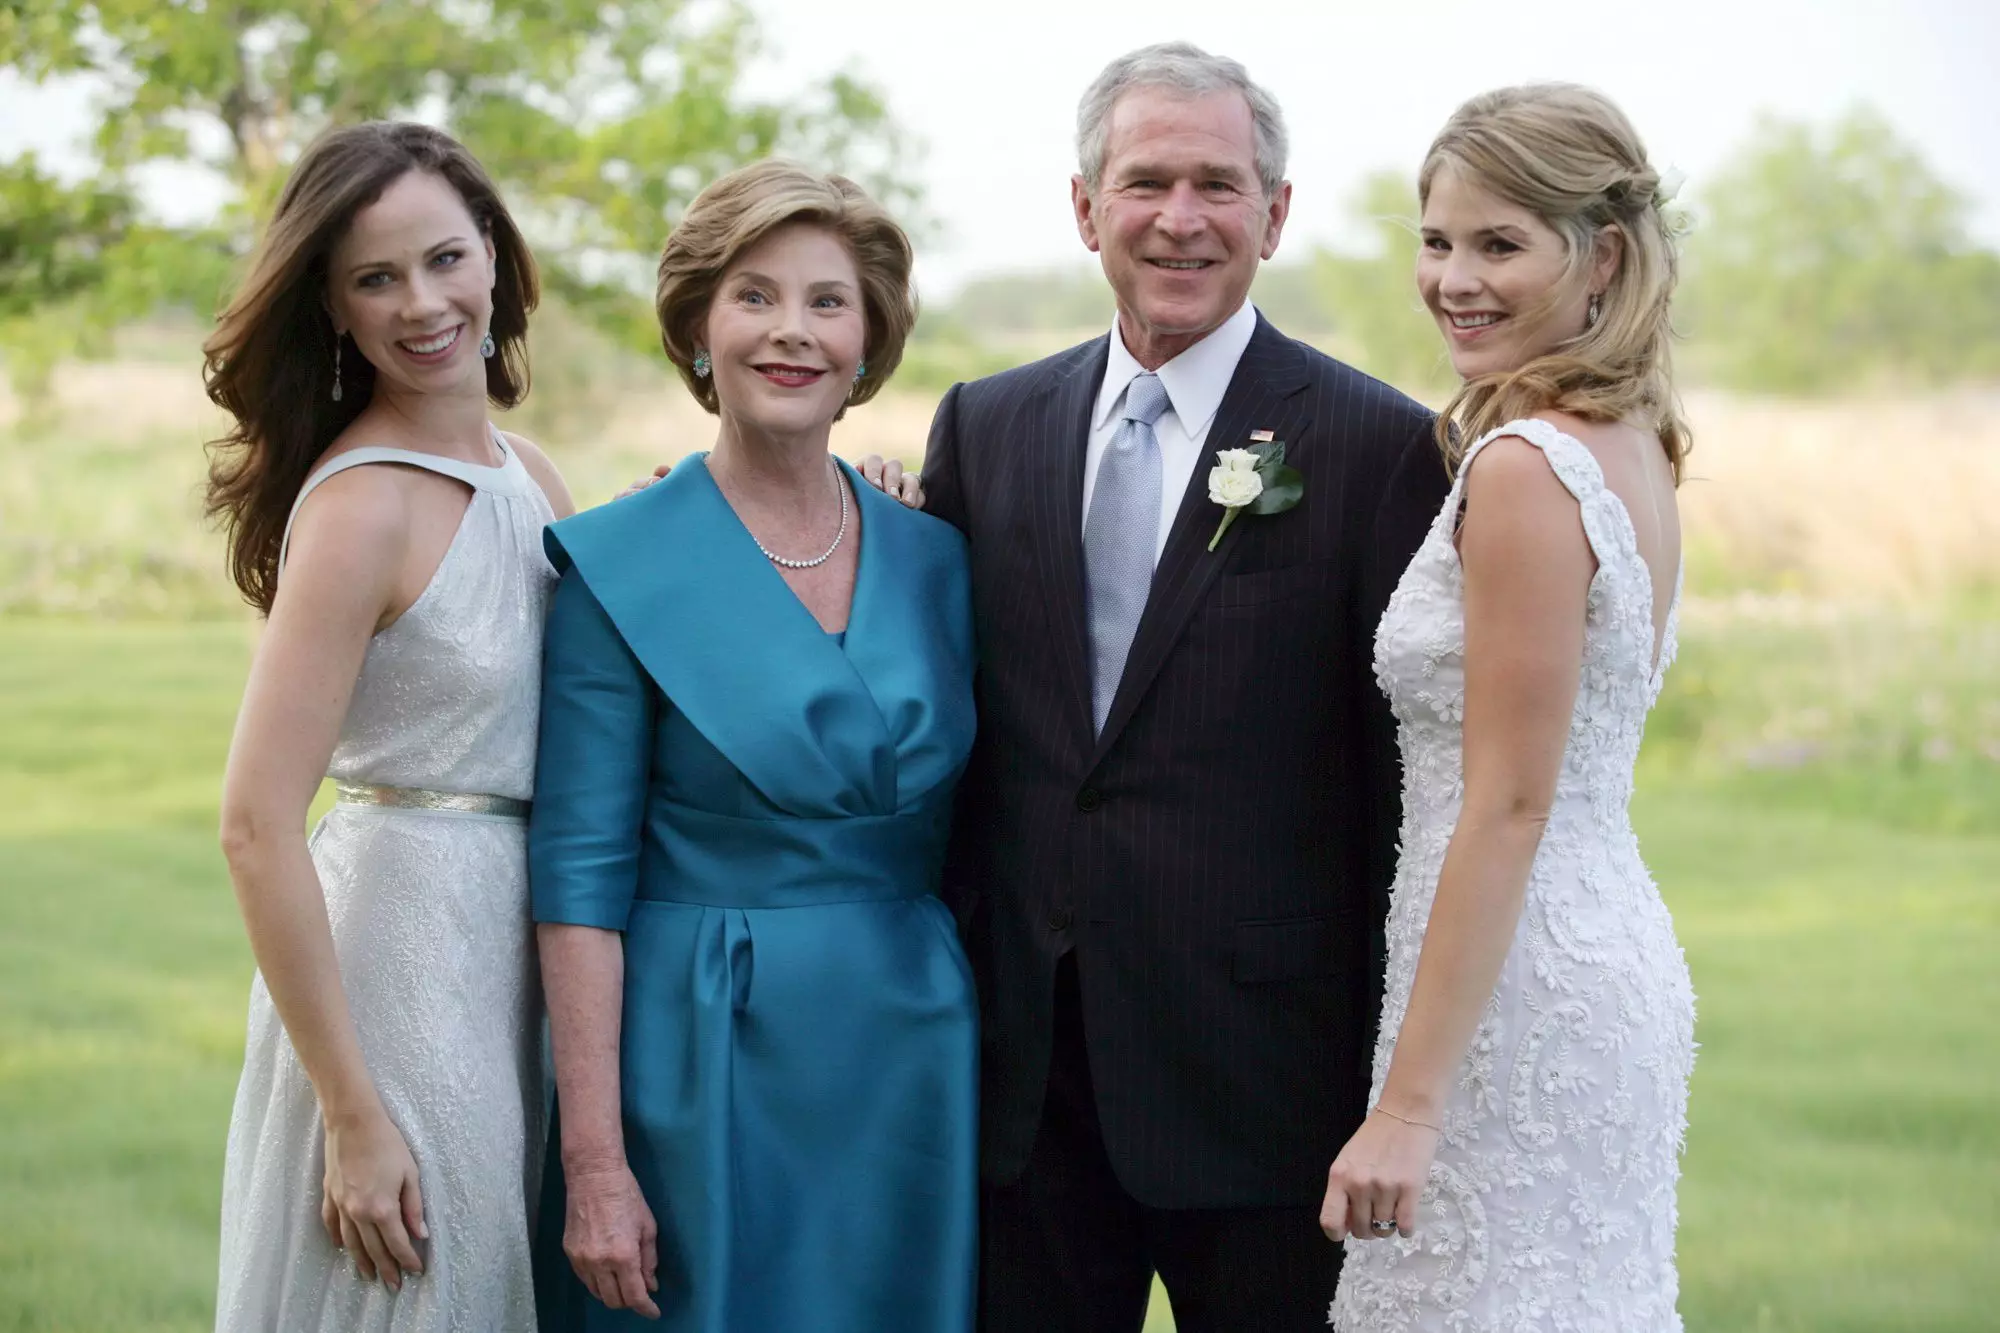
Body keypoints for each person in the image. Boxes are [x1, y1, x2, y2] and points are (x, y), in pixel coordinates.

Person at [910, 42, 1449, 1332]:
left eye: (1218, 183)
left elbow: (1405, 788)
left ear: (1274, 212)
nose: (1180, 218)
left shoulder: (1380, 447)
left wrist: (1391, 1087)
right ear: (1085, 206)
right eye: (1146, 181)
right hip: (1028, 1084)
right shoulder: (984, 425)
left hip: (1264, 1083)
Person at [528, 159, 977, 1332]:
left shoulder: (932, 550)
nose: (793, 332)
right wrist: (594, 1162)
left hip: (908, 1046)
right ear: (697, 329)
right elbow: (577, 883)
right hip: (698, 1049)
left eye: (828, 301)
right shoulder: (620, 563)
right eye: (754, 296)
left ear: (870, 339)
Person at [1324, 83, 1696, 1332]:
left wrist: (1409, 1105)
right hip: (1581, 947)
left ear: (1597, 258)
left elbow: (1508, 801)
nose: (1453, 280)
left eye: (1499, 243)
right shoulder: (1629, 442)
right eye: (1436, 240)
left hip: (1513, 992)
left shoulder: (1530, 468)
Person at [206, 121, 573, 1332]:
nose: (423, 303)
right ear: (334, 308)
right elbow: (257, 824)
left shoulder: (529, 475)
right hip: (396, 962)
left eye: (445, 258)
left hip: (519, 951)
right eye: (376, 277)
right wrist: (354, 1113)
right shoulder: (361, 508)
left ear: (495, 259)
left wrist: (859, 492)